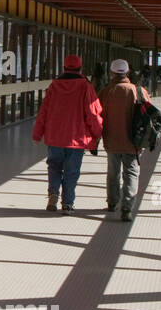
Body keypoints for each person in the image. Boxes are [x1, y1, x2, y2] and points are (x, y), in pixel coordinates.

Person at [33, 54, 103, 214]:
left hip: (54, 136)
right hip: (76, 138)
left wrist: (37, 134)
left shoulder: (54, 86)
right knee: (72, 171)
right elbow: (92, 112)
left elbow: (43, 111)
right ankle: (67, 203)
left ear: (64, 68)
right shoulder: (86, 86)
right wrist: (97, 132)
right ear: (80, 68)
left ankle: (53, 193)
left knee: (54, 166)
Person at [99, 58, 148, 222]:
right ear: (127, 73)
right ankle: (127, 208)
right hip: (134, 141)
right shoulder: (138, 91)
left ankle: (113, 202)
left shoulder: (106, 92)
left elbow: (98, 115)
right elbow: (148, 114)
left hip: (112, 141)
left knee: (113, 173)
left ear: (112, 73)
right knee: (131, 173)